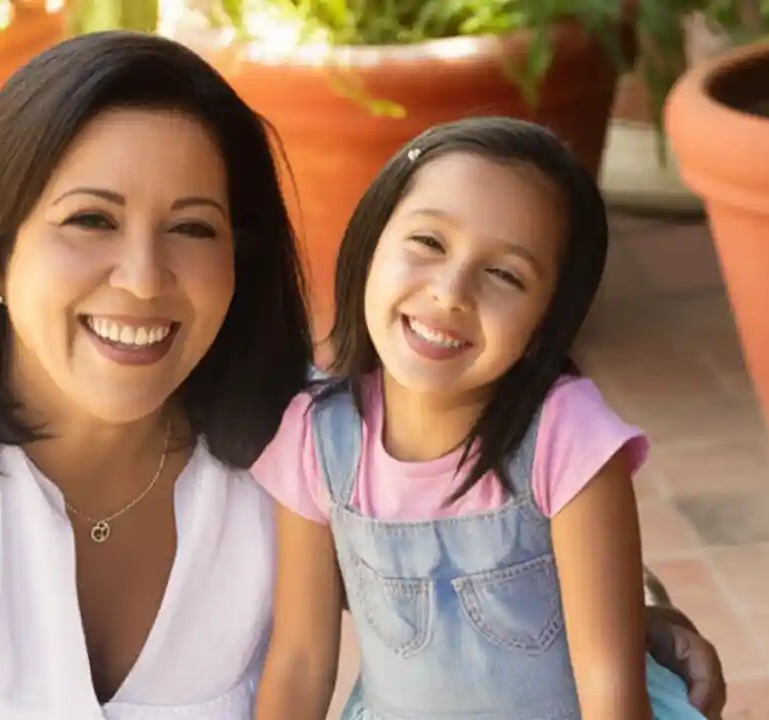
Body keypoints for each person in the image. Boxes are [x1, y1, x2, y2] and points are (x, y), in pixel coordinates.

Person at [0, 32, 725, 720]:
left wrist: (632, 608)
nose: (142, 277)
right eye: (89, 219)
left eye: (192, 229)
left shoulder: (285, 433)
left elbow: (465, 522)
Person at [251, 117, 718, 720]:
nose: (451, 292)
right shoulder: (315, 438)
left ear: (545, 325)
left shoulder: (567, 438)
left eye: (505, 275)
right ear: (372, 244)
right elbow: (301, 660)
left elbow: (609, 684)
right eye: (428, 243)